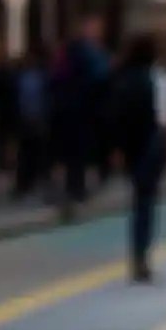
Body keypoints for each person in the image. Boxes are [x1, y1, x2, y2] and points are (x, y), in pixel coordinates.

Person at [111, 33, 166, 283]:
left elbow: (114, 116)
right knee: (147, 202)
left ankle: (136, 255)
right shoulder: (159, 78)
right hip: (152, 143)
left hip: (131, 146)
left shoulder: (122, 78)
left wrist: (116, 148)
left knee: (139, 200)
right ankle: (142, 256)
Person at [51, 15, 111, 204]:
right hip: (82, 109)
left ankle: (73, 187)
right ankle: (77, 188)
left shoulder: (70, 51)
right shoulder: (88, 52)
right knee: (79, 151)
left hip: (69, 107)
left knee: (72, 151)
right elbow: (101, 77)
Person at [13, 46, 51, 199]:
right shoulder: (37, 78)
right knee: (33, 153)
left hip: (29, 120)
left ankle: (26, 183)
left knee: (28, 153)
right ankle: (30, 182)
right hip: (34, 120)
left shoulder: (25, 78)